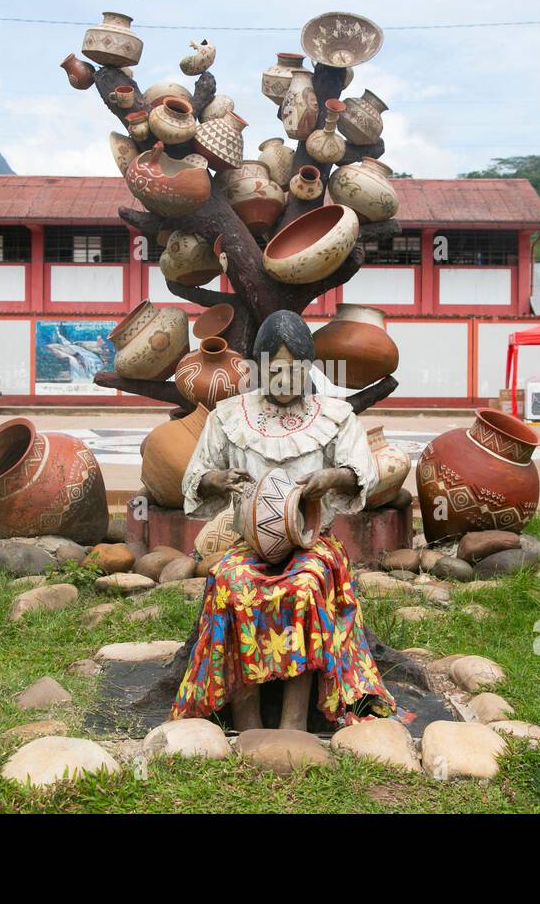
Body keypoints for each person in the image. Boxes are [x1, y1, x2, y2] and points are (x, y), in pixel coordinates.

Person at [170, 311, 396, 731]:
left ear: (309, 369)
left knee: (306, 585)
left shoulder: (335, 415)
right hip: (251, 545)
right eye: (276, 370)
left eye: (295, 370)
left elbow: (364, 474)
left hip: (311, 543)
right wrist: (218, 480)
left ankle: (295, 721)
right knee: (229, 583)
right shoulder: (228, 415)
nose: (285, 380)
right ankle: (246, 718)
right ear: (259, 368)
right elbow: (194, 479)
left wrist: (332, 477)